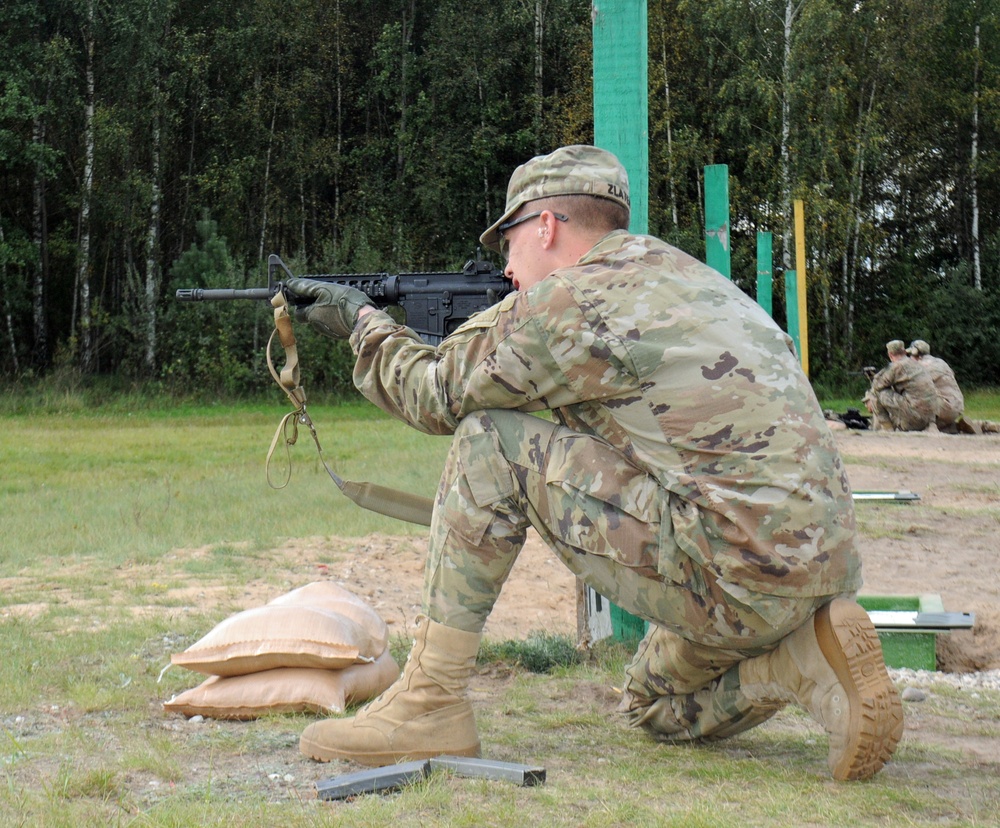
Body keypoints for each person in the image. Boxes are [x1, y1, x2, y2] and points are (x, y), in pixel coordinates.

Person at [284, 145, 902, 782]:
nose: (508, 267)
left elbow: (435, 395)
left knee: (488, 441)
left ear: (546, 225)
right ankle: (798, 661)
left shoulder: (574, 301)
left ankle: (430, 700)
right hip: (818, 572)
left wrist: (363, 325)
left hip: (733, 577)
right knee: (652, 704)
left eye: (509, 243)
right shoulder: (692, 278)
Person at [863, 340, 938, 431]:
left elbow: (877, 386)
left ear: (890, 355)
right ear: (904, 352)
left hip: (915, 417)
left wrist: (872, 381)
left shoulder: (897, 366)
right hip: (929, 418)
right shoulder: (916, 364)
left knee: (877, 394)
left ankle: (886, 429)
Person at [907, 339, 965, 432]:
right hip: (957, 407)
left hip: (944, 407)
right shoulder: (940, 362)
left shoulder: (921, 366)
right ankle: (950, 427)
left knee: (915, 393)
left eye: (911, 355)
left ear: (916, 354)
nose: (910, 358)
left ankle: (930, 425)